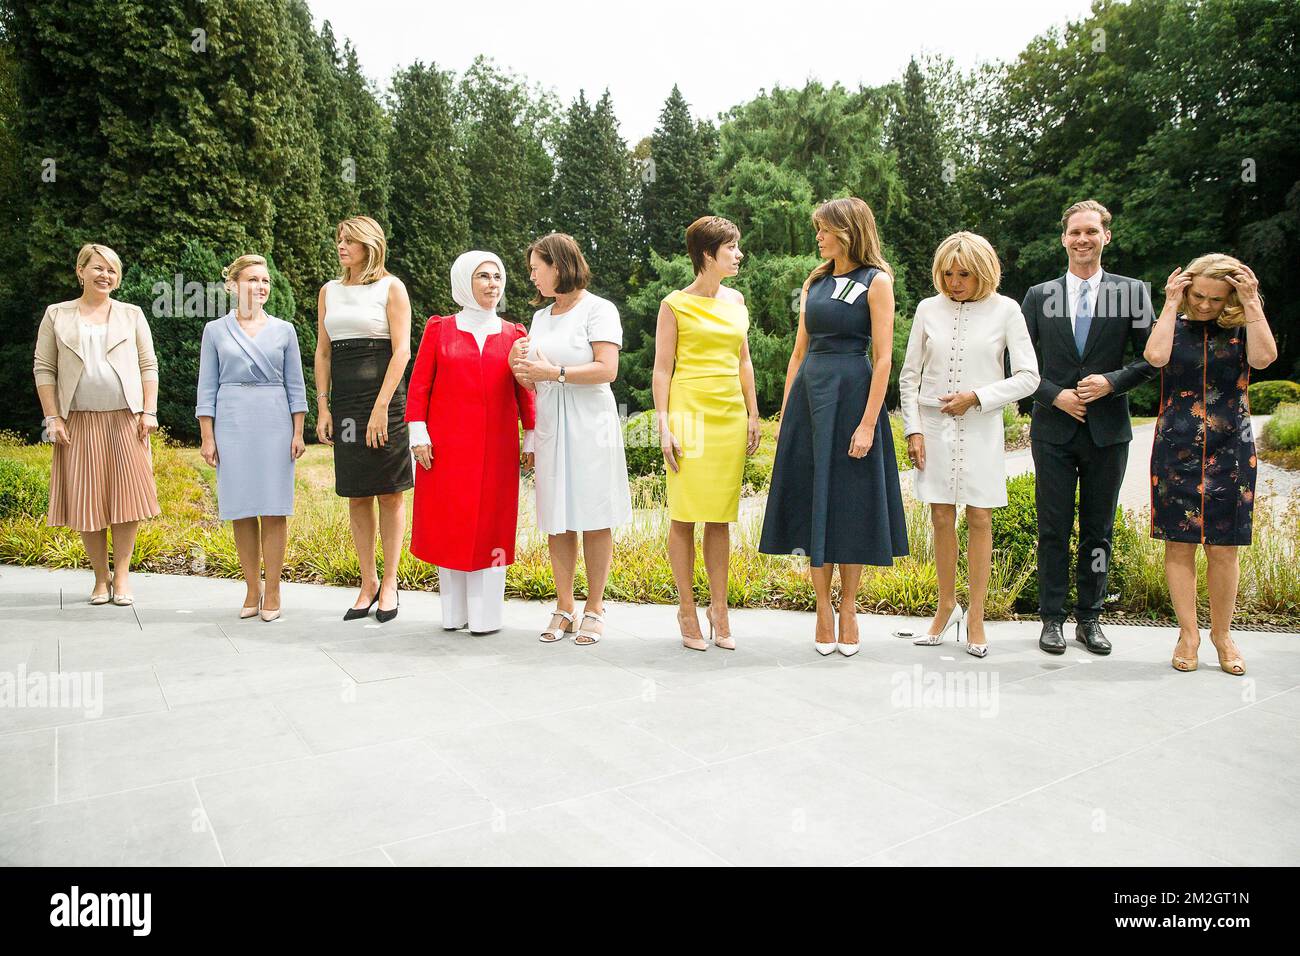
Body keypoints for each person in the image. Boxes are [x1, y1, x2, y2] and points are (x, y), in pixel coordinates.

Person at [759, 197, 908, 656]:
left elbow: (883, 358)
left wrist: (867, 424)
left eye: (823, 229)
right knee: (812, 503)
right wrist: (786, 416)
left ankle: (848, 608)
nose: (818, 237)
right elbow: (798, 353)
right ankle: (822, 610)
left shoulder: (876, 282)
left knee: (850, 505)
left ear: (847, 231)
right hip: (810, 397)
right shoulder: (815, 281)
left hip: (853, 395)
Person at [1022, 199, 1156, 656]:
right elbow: (1016, 362)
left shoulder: (1133, 293)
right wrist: (1052, 394)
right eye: (1075, 232)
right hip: (1053, 431)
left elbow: (1152, 358)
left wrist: (1112, 382)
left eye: (1092, 232)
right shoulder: (1039, 296)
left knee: (1098, 529)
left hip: (1107, 432)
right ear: (1064, 238)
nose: (1083, 240)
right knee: (1053, 527)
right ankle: (1052, 619)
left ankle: (1091, 619)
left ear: (1106, 236)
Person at [1145, 254, 1276, 675]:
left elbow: (1264, 360)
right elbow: (1155, 356)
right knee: (1179, 543)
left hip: (1231, 449)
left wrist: (1252, 304)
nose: (1204, 305)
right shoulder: (1175, 324)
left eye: (1216, 299)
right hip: (1175, 447)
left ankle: (1223, 634)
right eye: (1198, 295)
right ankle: (1188, 633)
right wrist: (1170, 304)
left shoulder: (1242, 328)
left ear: (1231, 297)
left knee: (1224, 548)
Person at [510, 233, 632, 645]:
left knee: (594, 514)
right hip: (550, 423)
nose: (531, 277)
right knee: (556, 516)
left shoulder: (599, 309)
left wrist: (554, 373)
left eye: (535, 268)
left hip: (590, 423)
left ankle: (595, 607)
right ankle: (564, 606)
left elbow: (607, 369)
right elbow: (533, 374)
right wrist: (522, 371)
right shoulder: (541, 318)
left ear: (558, 266)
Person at [406, 251, 535, 635]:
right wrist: (418, 432)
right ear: (465, 281)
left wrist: (530, 434)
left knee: (490, 525)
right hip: (445, 447)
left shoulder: (515, 334)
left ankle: (486, 617)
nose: (493, 283)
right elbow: (420, 384)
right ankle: (454, 614)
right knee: (452, 524)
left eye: (498, 276)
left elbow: (525, 390)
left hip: (497, 447)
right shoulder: (439, 329)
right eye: (483, 276)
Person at [653, 216, 760, 651]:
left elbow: (744, 362)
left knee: (720, 515)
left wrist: (753, 414)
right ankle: (685, 608)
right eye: (731, 248)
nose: (738, 254)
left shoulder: (737, 301)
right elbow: (662, 368)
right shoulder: (673, 304)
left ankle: (720, 609)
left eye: (737, 247)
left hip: (729, 414)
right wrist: (664, 424)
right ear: (706, 254)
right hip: (689, 413)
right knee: (684, 514)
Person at [33, 243, 160, 606]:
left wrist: (148, 411)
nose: (105, 275)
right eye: (98, 268)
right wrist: (52, 416)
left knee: (126, 501)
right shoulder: (57, 314)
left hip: (126, 420)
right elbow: (44, 368)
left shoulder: (131, 314)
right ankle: (99, 580)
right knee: (87, 502)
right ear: (81, 271)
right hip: (78, 422)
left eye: (112, 270)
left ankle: (122, 576)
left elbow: (148, 365)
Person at [196, 254, 308, 621]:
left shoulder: (284, 330)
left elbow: (296, 385)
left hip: (274, 420)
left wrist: (298, 431)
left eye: (265, 281)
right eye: (252, 280)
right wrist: (207, 437)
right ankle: (251, 588)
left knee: (274, 508)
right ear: (232, 285)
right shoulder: (214, 331)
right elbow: (206, 387)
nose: (261, 287)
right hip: (232, 420)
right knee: (241, 509)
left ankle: (273, 590)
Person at [315, 216, 413, 623]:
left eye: (349, 241)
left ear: (369, 246)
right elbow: (322, 352)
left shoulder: (392, 287)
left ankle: (390, 583)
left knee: (389, 492)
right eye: (339, 240)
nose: (341, 246)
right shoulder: (329, 291)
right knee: (356, 493)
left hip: (385, 401)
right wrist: (323, 405)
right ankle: (367, 582)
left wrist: (380, 409)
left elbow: (402, 351)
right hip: (346, 403)